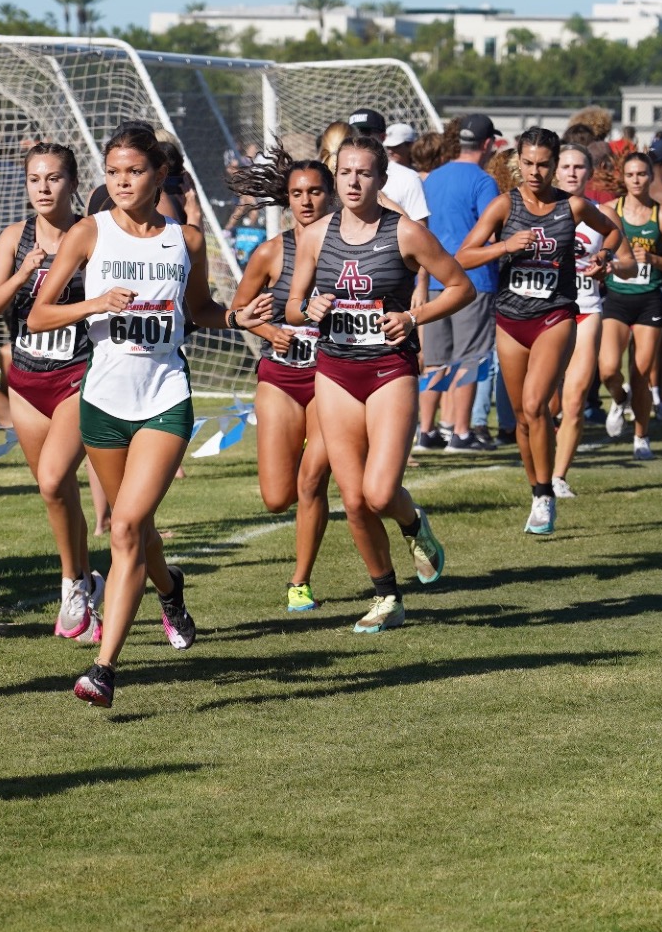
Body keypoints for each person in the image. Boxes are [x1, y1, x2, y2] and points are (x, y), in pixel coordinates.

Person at [27, 125, 252, 707]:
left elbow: (201, 310)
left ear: (158, 177)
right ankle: (170, 588)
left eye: (133, 171)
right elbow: (39, 317)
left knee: (125, 527)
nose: (122, 181)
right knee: (137, 527)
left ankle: (103, 669)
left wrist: (240, 318)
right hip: (102, 401)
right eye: (114, 172)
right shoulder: (88, 233)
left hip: (165, 398)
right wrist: (95, 303)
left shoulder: (187, 241)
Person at [286, 134, 471, 634]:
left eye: (364, 172)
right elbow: (293, 304)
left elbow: (461, 286)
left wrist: (415, 317)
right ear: (334, 176)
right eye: (345, 171)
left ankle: (414, 524)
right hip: (335, 371)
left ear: (381, 180)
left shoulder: (405, 233)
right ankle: (387, 595)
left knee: (379, 490)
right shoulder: (314, 235)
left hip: (389, 370)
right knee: (353, 499)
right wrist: (309, 308)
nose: (352, 180)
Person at [455, 128, 629, 536]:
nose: (536, 172)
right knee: (519, 417)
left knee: (536, 405)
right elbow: (464, 255)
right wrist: (505, 247)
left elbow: (613, 230)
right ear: (519, 160)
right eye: (529, 163)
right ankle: (537, 491)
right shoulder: (504, 205)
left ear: (554, 165)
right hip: (511, 319)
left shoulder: (573, 207)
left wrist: (603, 256)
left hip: (556, 314)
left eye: (544, 164)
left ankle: (547, 491)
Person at [0, 141, 103, 640]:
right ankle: (86, 583)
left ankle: (71, 583)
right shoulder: (14, 237)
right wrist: (25, 272)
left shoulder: (91, 235)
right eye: (34, 179)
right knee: (57, 493)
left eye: (53, 179)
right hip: (26, 380)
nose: (43, 188)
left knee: (53, 480)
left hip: (77, 374)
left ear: (72, 183)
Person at [229, 148, 335, 611]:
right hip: (281, 376)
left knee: (313, 481)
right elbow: (234, 312)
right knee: (276, 497)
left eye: (315, 192)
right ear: (286, 198)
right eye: (297, 194)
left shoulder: (351, 247)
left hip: (333, 379)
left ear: (331, 196)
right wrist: (268, 329)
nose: (306, 201)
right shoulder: (271, 252)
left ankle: (300, 580)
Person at [418, 113, 501, 453]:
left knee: (436, 358)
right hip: (472, 281)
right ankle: (461, 432)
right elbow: (491, 231)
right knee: (471, 358)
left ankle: (426, 431)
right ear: (487, 144)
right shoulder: (483, 181)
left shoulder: (432, 178)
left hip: (436, 278)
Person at [598, 152, 662, 461]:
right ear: (623, 178)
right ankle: (619, 400)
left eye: (642, 174)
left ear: (650, 177)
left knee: (641, 373)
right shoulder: (611, 212)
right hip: (617, 297)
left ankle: (641, 436)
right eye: (631, 175)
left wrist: (654, 259)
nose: (636, 180)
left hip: (650, 298)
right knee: (608, 369)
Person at [552, 143, 607, 499]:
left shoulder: (600, 214)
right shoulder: (535, 212)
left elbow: (628, 261)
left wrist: (608, 260)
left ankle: (557, 478)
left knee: (574, 403)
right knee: (544, 405)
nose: (572, 172)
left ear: (589, 173)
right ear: (555, 171)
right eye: (566, 166)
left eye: (579, 167)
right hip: (545, 314)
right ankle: (542, 470)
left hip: (586, 309)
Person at [345, 109, 430, 223]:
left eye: (365, 132)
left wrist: (381, 200)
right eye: (352, 133)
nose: (358, 137)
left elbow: (420, 232)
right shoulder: (335, 176)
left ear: (383, 137)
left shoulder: (408, 177)